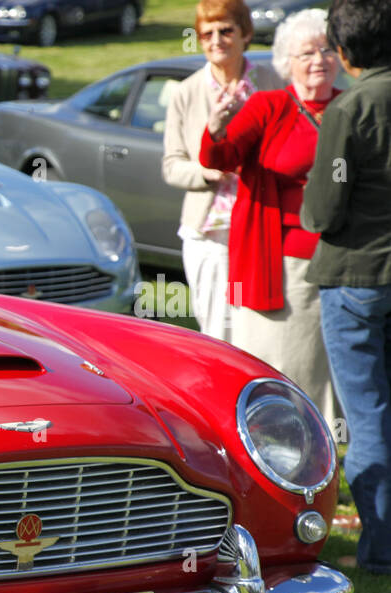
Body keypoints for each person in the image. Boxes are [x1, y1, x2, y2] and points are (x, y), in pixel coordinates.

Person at [199, 7, 341, 425]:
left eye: (327, 49)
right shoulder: (269, 106)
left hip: (340, 261)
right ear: (287, 63)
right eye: (307, 52)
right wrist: (216, 127)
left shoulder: (350, 108)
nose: (319, 59)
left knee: (322, 369)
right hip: (277, 262)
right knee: (278, 365)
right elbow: (221, 157)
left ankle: (322, 449)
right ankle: (277, 444)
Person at [300, 0, 391, 573]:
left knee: (368, 419)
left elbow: (324, 208)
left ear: (343, 51)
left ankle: (380, 553)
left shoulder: (350, 108)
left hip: (357, 277)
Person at [162, 0, 281, 342]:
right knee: (219, 332)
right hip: (211, 233)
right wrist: (207, 172)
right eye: (207, 33)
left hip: (264, 227)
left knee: (262, 333)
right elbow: (172, 166)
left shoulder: (274, 83)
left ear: (246, 34)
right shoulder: (186, 93)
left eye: (226, 30)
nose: (216, 40)